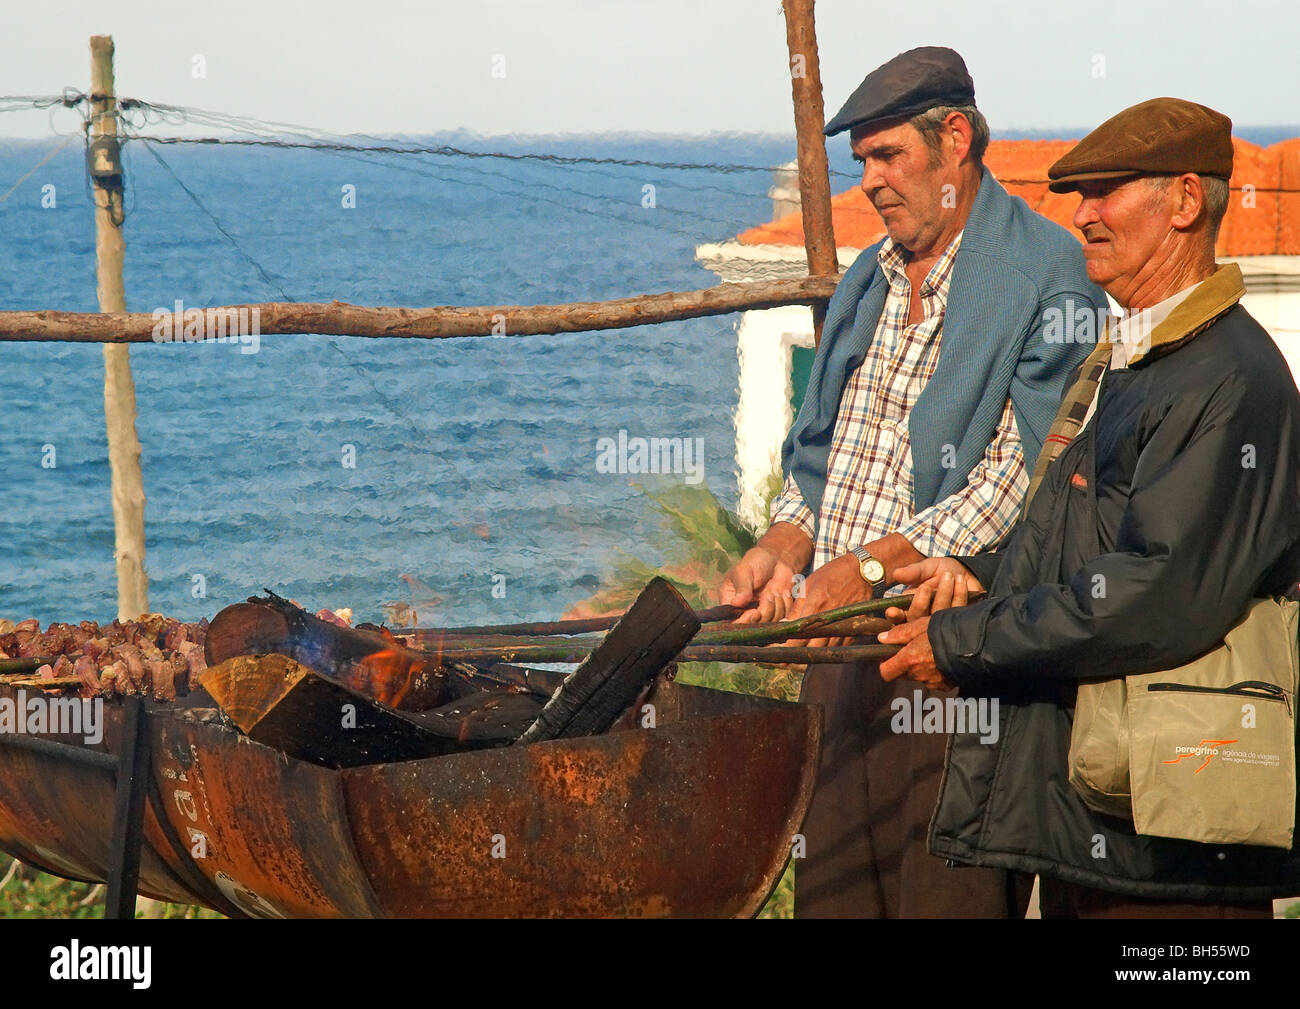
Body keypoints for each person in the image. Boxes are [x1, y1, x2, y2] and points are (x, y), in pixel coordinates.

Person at [879, 96, 1300, 917]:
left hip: (1174, 843)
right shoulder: (1131, 360)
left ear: (1184, 201)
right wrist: (969, 572)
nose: (1085, 216)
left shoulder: (1229, 376)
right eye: (1081, 196)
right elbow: (1078, 548)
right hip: (1106, 820)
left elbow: (1155, 593)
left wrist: (964, 641)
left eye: (1108, 192)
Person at [717, 46, 1105, 917]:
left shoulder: (1049, 273)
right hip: (844, 664)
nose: (872, 182)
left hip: (955, 663)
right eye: (862, 164)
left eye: (889, 156)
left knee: (946, 903)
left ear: (956, 140)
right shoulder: (871, 277)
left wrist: (875, 568)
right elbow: (823, 453)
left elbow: (1032, 471)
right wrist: (781, 546)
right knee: (835, 899)